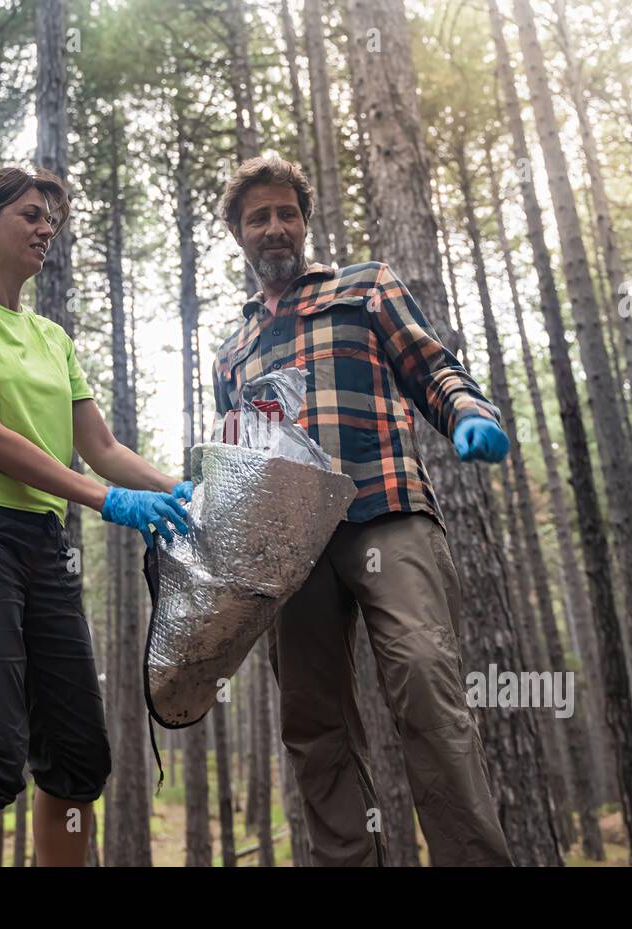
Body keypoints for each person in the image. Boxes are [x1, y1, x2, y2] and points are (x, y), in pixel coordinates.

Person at [213, 156, 514, 866]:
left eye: (288, 212)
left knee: (424, 682)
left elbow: (434, 366)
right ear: (238, 234)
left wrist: (468, 413)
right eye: (259, 217)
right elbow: (239, 457)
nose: (276, 227)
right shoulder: (233, 351)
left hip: (387, 507)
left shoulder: (365, 285)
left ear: (305, 221)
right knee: (315, 724)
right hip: (290, 549)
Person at [0, 165, 191, 866]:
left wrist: (181, 489)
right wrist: (105, 501)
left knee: (76, 751)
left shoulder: (53, 339)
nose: (46, 231)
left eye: (52, 222)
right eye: (32, 216)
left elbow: (99, 447)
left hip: (43, 546)